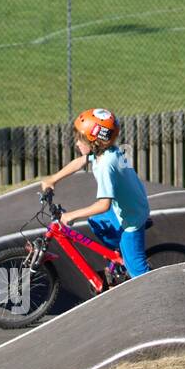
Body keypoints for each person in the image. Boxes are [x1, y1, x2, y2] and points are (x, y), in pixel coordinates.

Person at [41, 109, 152, 281]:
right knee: (96, 221)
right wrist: (53, 179)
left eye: (80, 139)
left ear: (94, 142)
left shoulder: (107, 165)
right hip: (126, 207)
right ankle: (117, 258)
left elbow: (103, 205)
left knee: (138, 275)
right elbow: (80, 162)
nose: (77, 143)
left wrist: (71, 215)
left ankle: (148, 285)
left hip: (131, 218)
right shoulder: (105, 151)